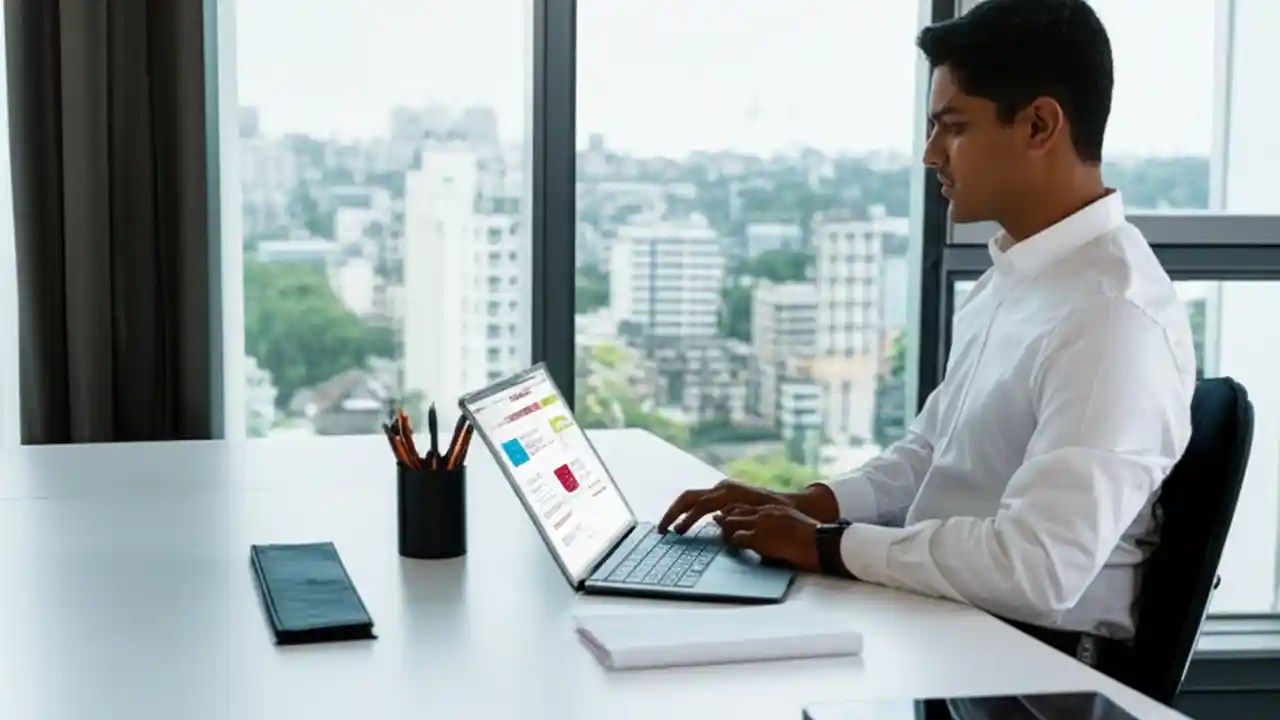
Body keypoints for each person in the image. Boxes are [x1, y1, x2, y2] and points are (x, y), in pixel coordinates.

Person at [659, 0, 1195, 672]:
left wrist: (825, 545)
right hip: (953, 624)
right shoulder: (1019, 274)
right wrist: (807, 505)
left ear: (1039, 124)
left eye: (953, 127)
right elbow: (929, 457)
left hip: (1035, 672)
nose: (930, 154)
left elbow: (1036, 570)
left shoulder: (1113, 320)